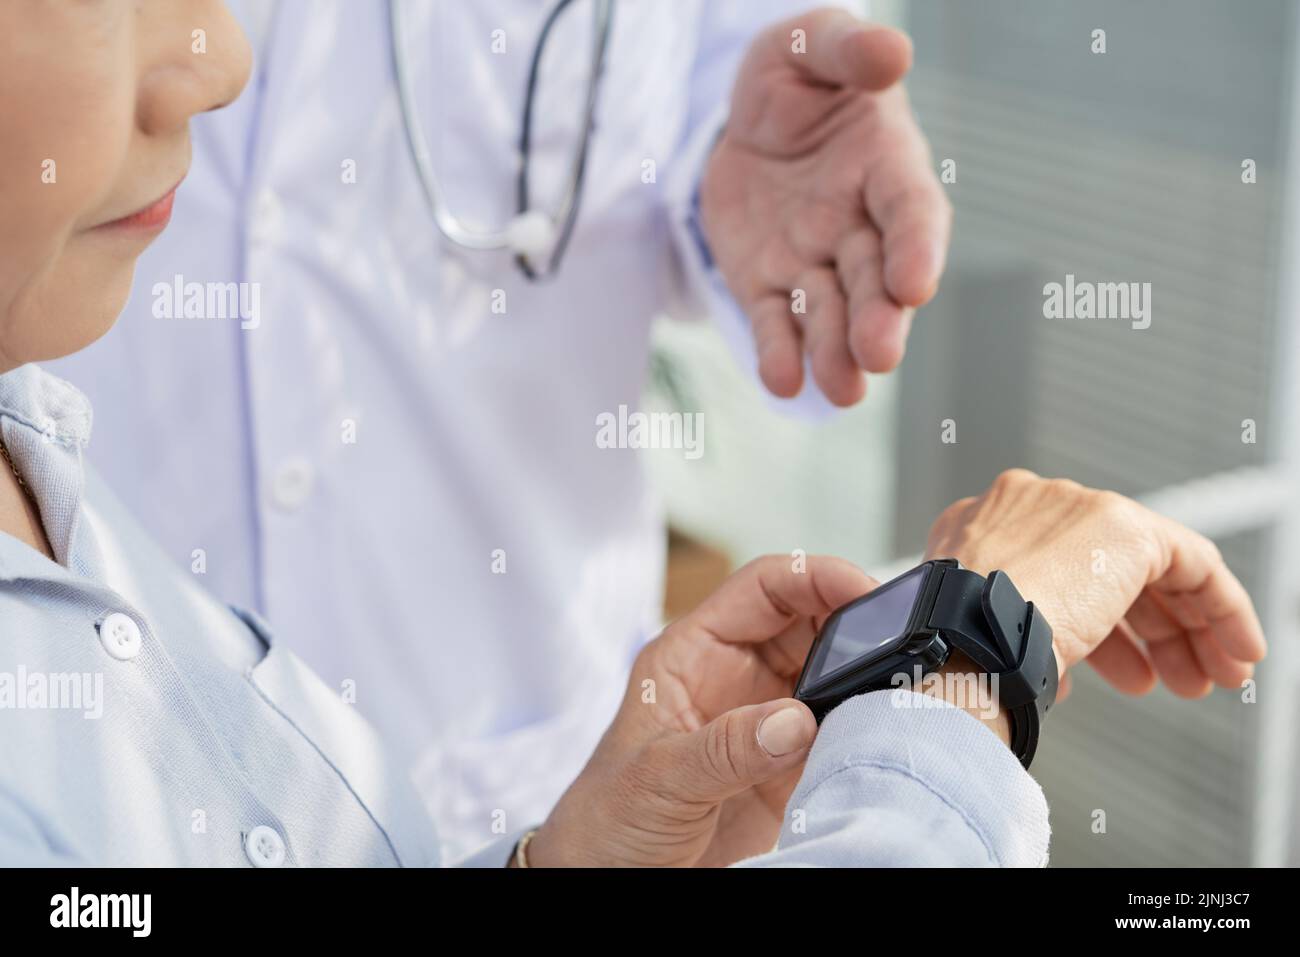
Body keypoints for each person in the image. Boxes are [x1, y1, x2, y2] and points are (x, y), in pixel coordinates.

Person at [0, 0, 1265, 868]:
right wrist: (965, 668)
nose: (224, 63)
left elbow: (723, 72)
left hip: (528, 761)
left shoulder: (45, 474)